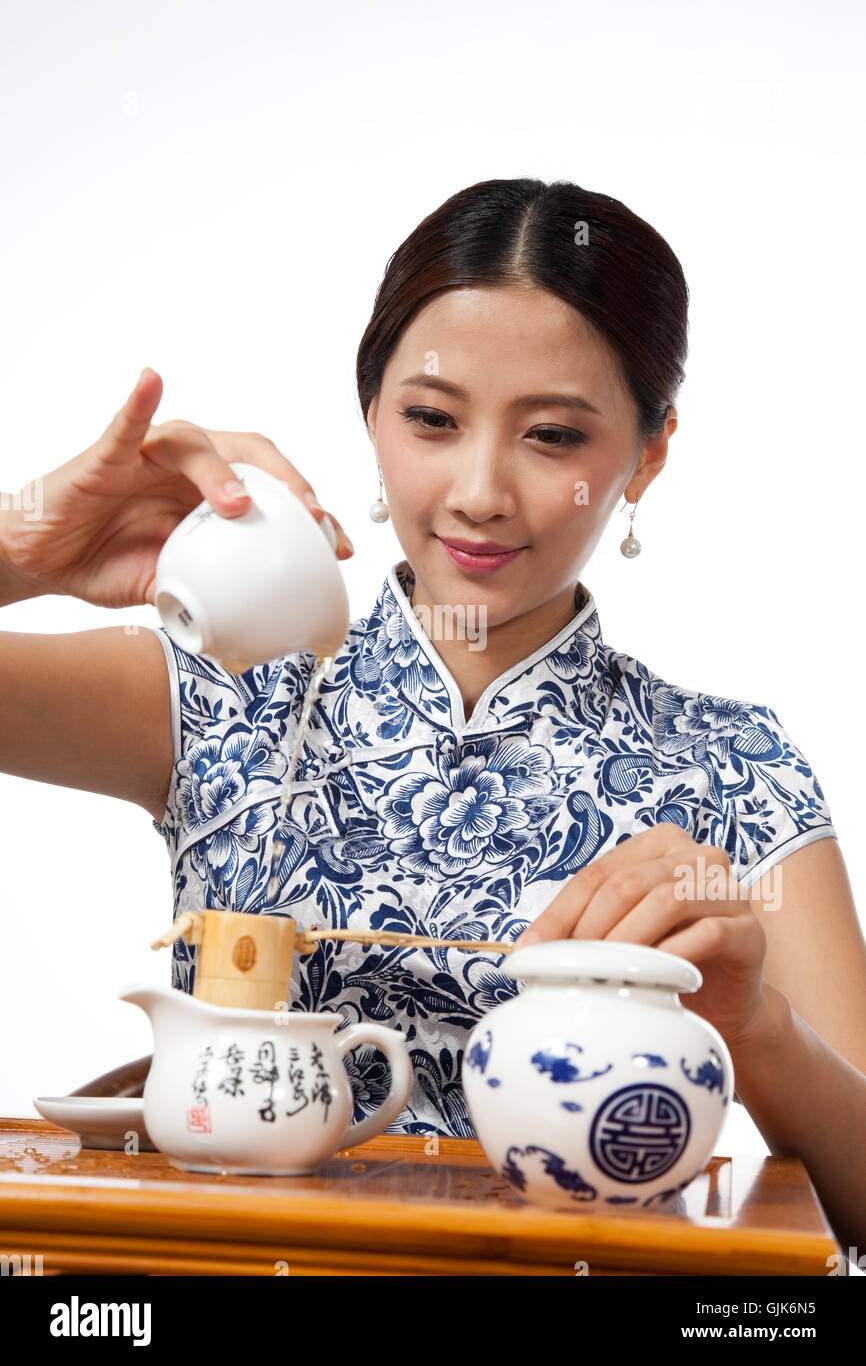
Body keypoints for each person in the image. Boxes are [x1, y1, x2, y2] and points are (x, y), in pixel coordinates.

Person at [2, 177, 865, 1259]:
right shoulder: (225, 685)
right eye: (431, 420)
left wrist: (759, 1029)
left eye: (551, 435)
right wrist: (20, 545)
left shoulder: (731, 766)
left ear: (647, 454)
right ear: (370, 412)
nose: (478, 491)